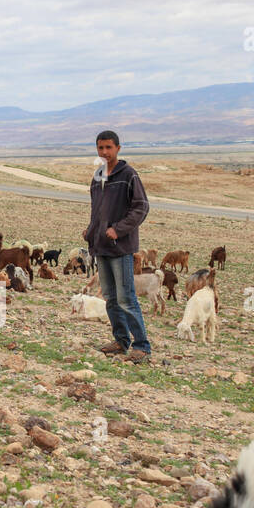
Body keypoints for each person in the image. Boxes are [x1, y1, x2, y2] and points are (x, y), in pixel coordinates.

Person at [83, 129, 151, 363]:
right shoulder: (98, 176)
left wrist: (118, 229)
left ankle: (142, 346)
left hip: (120, 247)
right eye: (100, 148)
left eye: (108, 147)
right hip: (101, 246)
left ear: (118, 149)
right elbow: (98, 212)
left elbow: (141, 207)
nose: (104, 152)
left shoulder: (128, 175)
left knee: (126, 298)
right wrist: (91, 232)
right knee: (111, 298)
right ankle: (121, 341)